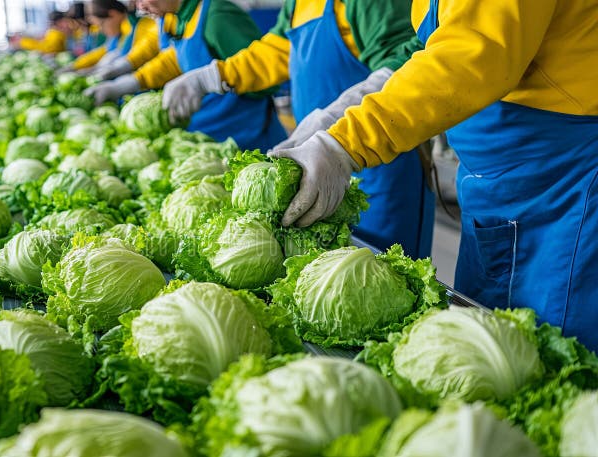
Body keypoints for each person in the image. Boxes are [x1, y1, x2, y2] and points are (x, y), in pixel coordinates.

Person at [272, 0, 598, 350]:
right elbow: (433, 46)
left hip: (565, 190)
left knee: (556, 354)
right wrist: (344, 109)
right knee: (493, 343)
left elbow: (470, 58)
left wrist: (346, 143)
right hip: (503, 189)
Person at [161, 0, 435, 259]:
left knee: (386, 273)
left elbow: (407, 63)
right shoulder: (296, 3)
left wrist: (337, 123)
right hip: (317, 159)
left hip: (381, 165)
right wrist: (214, 76)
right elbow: (278, 51)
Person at [84, 0, 287, 151]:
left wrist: (211, 80)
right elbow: (175, 58)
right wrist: (131, 81)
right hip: (209, 136)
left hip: (246, 137)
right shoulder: (176, 18)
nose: (141, 7)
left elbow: (266, 80)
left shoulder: (217, 16)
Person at [70, 0, 157, 74]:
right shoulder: (122, 31)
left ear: (113, 14)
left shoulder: (142, 26)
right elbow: (105, 50)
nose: (101, 30)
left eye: (102, 24)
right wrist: (76, 65)